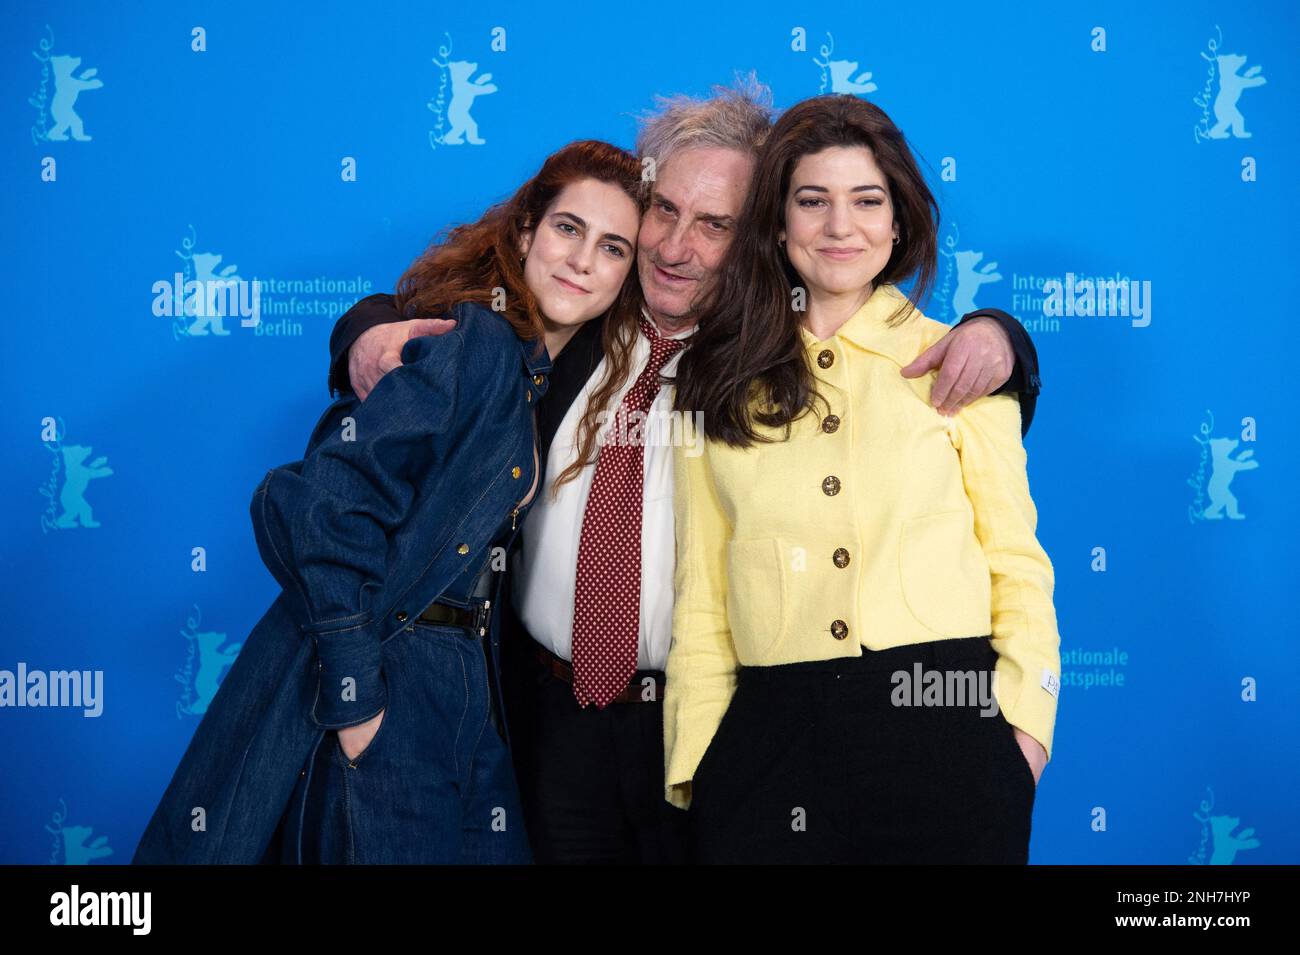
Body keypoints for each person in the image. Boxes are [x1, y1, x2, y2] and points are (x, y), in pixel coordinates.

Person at [326, 73, 1043, 865]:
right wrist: (364, 332)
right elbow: (443, 306)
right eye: (664, 209)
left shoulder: (765, 364)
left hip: (696, 723)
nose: (675, 247)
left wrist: (1000, 335)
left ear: (760, 234)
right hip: (541, 714)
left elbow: (904, 398)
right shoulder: (568, 318)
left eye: (715, 224)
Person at [132, 140, 644, 864]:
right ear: (526, 231)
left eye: (612, 246)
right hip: (392, 678)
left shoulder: (543, 373)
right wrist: (356, 700)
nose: (583, 259)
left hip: (470, 694)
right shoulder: (480, 347)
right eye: (568, 228)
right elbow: (320, 507)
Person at [665, 93, 1061, 864]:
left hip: (948, 733)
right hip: (768, 749)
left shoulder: (966, 361)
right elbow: (704, 591)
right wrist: (697, 764)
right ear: (778, 225)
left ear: (897, 222)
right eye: (812, 201)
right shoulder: (718, 384)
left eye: (866, 201)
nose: (839, 226)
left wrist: (1024, 737)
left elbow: (1018, 563)